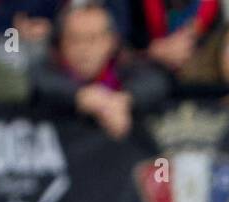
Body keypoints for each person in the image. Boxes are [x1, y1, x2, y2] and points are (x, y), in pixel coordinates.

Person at [30, 1, 168, 139]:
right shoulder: (49, 71)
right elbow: (38, 80)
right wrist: (81, 96)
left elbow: (155, 81)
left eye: (93, 38)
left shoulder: (125, 67)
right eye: (74, 39)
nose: (84, 49)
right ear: (60, 44)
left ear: (111, 41)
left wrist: (122, 101)